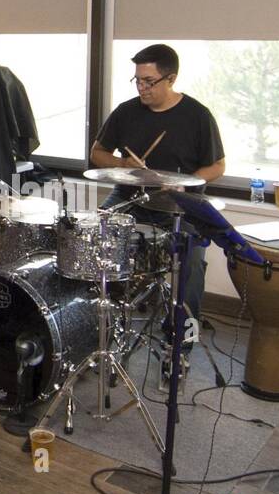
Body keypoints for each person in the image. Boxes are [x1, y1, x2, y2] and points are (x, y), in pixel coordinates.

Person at [90, 44, 226, 371]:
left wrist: (188, 182)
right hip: (131, 195)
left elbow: (218, 165)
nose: (142, 88)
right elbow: (97, 153)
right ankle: (96, 329)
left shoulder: (197, 116)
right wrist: (123, 164)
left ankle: (180, 342)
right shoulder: (126, 112)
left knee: (192, 261)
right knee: (95, 238)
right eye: (137, 80)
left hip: (180, 203)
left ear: (171, 79)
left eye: (149, 81)